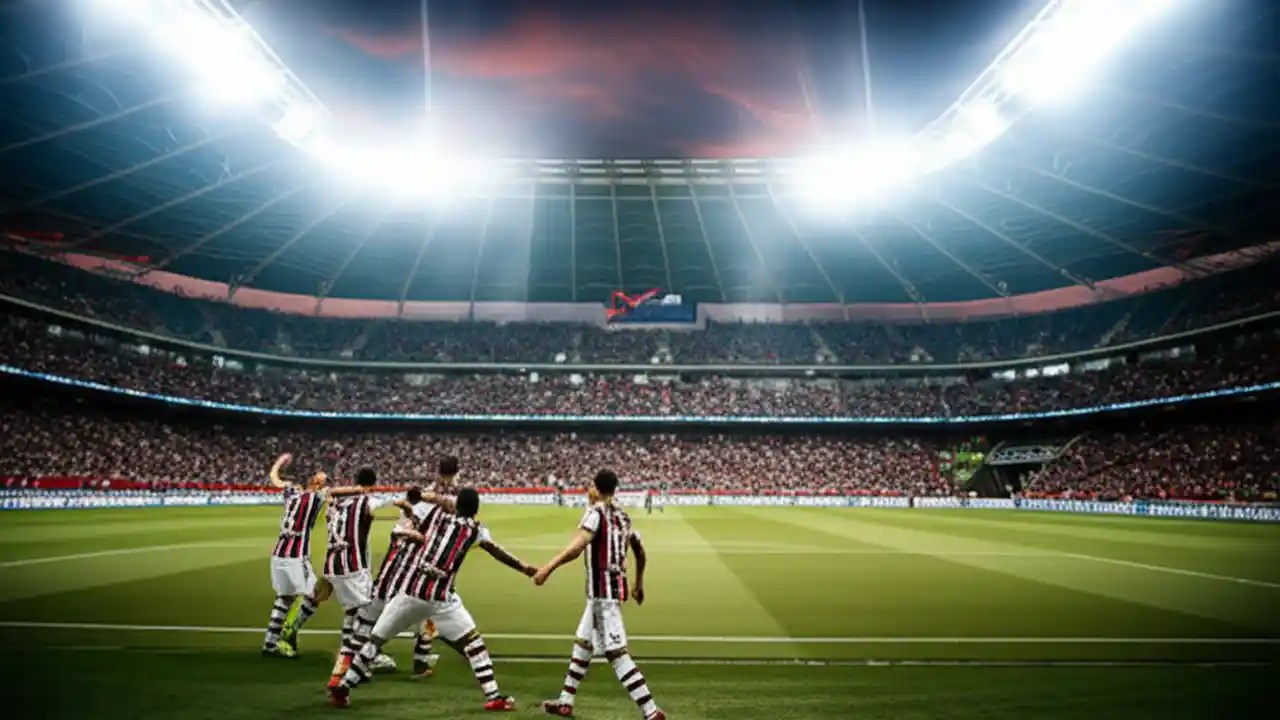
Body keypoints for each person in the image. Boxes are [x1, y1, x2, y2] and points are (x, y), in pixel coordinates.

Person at [329, 487, 537, 711]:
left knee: (376, 641)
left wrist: (420, 499)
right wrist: (525, 568)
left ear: (456, 505)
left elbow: (426, 508)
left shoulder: (436, 516)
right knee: (473, 644)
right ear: (476, 510)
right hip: (441, 600)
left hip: (410, 592)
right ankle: (493, 695)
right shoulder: (475, 530)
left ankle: (345, 685)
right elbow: (496, 551)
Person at [534, 470, 664, 720]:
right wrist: (639, 584)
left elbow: (578, 545)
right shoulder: (623, 516)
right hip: (605, 594)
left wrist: (548, 568)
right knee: (583, 644)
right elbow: (639, 550)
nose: (588, 488)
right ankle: (565, 702)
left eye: (590, 485)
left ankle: (650, 711)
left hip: (603, 596)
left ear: (596, 488)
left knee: (616, 654)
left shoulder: (596, 513)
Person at [261, 452, 355, 659]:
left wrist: (278, 462)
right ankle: (290, 628)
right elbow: (338, 492)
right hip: (296, 556)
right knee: (319, 591)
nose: (324, 483)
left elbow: (275, 479)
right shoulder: (316, 497)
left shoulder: (291, 492)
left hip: (279, 554)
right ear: (313, 482)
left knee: (284, 598)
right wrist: (363, 487)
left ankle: (270, 643)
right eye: (321, 479)